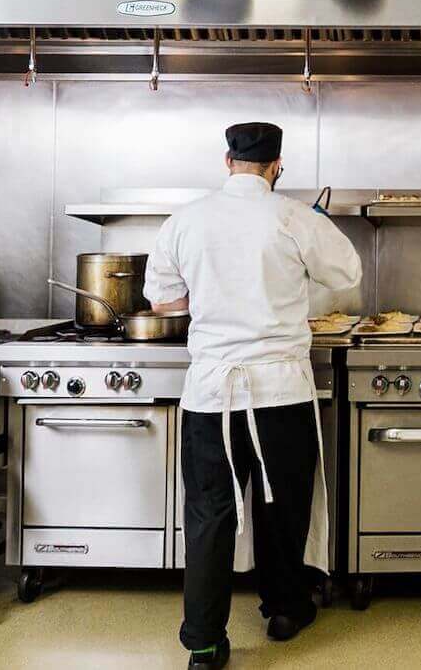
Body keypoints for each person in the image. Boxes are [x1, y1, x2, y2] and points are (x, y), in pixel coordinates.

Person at [145, 122, 362, 670]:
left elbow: (164, 304)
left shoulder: (185, 221)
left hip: (211, 393)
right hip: (279, 392)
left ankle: (203, 641)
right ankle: (285, 610)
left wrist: (215, 293)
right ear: (276, 166)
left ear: (227, 161)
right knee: (280, 507)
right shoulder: (292, 217)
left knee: (209, 514)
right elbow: (348, 274)